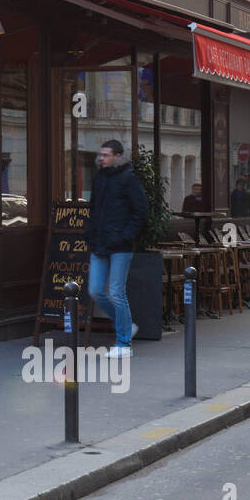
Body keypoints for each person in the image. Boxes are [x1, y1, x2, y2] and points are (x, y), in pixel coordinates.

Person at [85, 140, 149, 358]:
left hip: (120, 245)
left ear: (118, 156)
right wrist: (91, 233)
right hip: (100, 243)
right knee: (94, 290)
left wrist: (125, 235)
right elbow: (93, 209)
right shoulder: (99, 178)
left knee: (116, 292)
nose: (101, 158)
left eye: (106, 155)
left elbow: (141, 211)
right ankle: (127, 325)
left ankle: (124, 344)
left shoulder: (128, 178)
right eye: (100, 154)